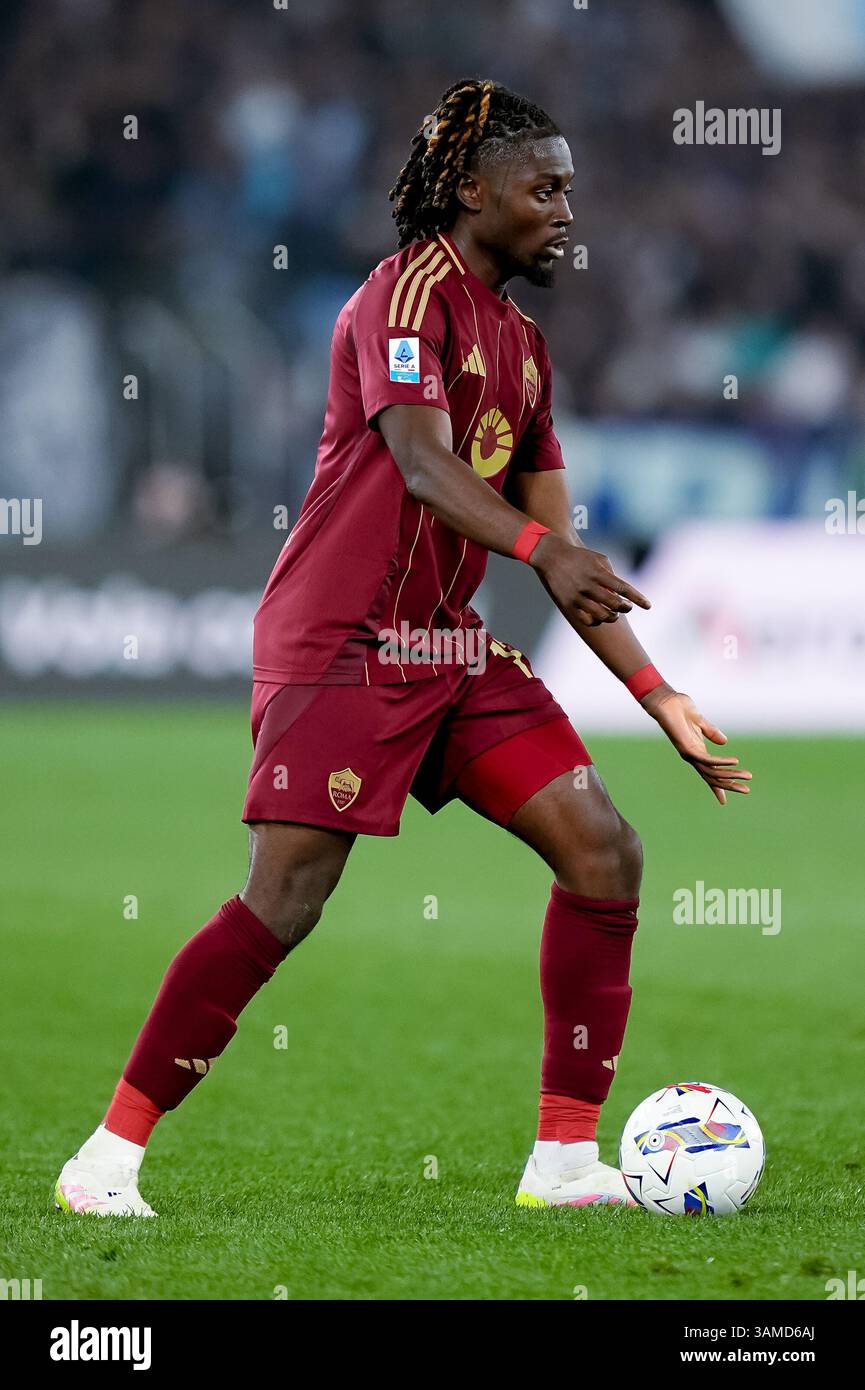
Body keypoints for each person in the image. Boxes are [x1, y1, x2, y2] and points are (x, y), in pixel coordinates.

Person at [55, 78, 751, 1218]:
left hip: (448, 644)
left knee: (603, 850)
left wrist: (659, 693)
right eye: (546, 188)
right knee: (284, 900)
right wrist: (541, 550)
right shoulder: (400, 295)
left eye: (570, 190)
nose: (567, 211)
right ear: (473, 190)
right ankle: (106, 1159)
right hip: (338, 640)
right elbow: (428, 466)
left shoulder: (523, 345)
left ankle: (566, 1161)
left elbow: (569, 557)